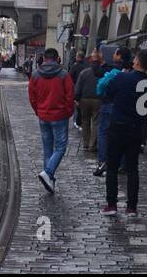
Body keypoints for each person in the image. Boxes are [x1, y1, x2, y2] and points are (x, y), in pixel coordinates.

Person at [101, 48, 147, 218]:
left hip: (117, 126)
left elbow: (108, 94)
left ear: (136, 62)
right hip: (136, 129)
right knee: (132, 168)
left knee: (113, 167)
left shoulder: (122, 77)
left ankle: (112, 204)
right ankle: (131, 207)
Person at [28, 47, 75, 195]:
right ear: (57, 58)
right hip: (60, 116)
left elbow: (32, 96)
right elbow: (70, 95)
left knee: (48, 148)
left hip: (43, 115)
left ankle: (50, 179)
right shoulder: (63, 75)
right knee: (60, 147)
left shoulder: (35, 75)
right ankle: (48, 173)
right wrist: (68, 112)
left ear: (43, 58)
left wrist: (38, 111)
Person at [93, 48, 128, 177]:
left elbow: (97, 72)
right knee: (122, 135)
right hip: (124, 107)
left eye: (115, 53)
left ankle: (103, 161)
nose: (113, 55)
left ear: (119, 56)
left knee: (103, 134)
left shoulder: (112, 70)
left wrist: (96, 59)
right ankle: (122, 164)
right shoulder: (131, 71)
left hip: (108, 105)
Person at [73, 49, 104, 152]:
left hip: (84, 100)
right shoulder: (103, 73)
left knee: (85, 121)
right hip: (98, 100)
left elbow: (78, 87)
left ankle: (86, 143)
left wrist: (77, 98)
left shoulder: (84, 73)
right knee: (95, 122)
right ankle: (92, 144)